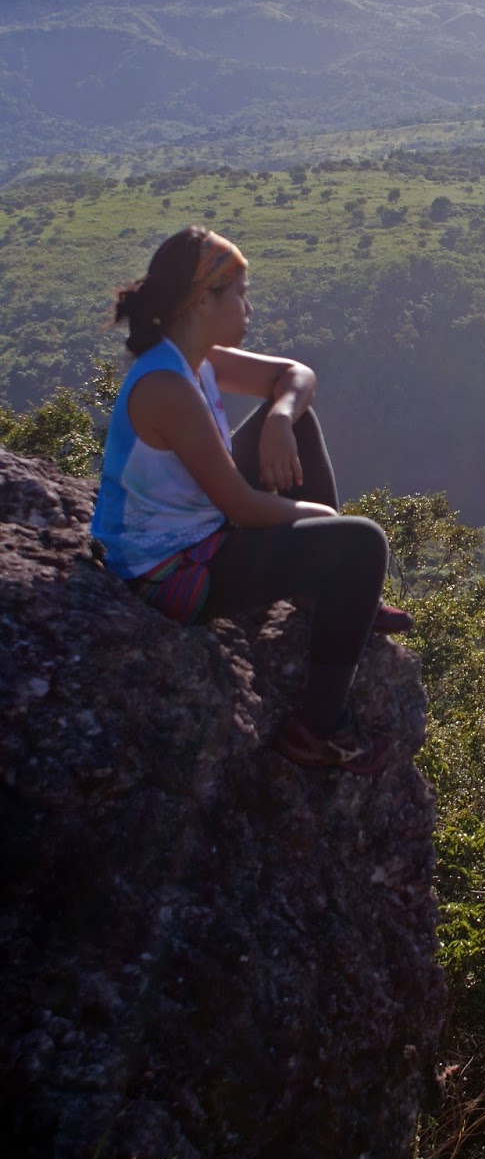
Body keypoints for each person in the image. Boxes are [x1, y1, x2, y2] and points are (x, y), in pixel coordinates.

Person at [92, 225, 410, 773]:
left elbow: (297, 375)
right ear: (201, 300)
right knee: (361, 543)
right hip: (171, 572)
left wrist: (281, 419)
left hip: (201, 527)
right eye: (238, 292)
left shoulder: (197, 359)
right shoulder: (167, 386)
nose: (248, 306)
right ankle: (320, 730)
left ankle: (320, 593)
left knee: (297, 422)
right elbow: (242, 508)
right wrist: (318, 516)